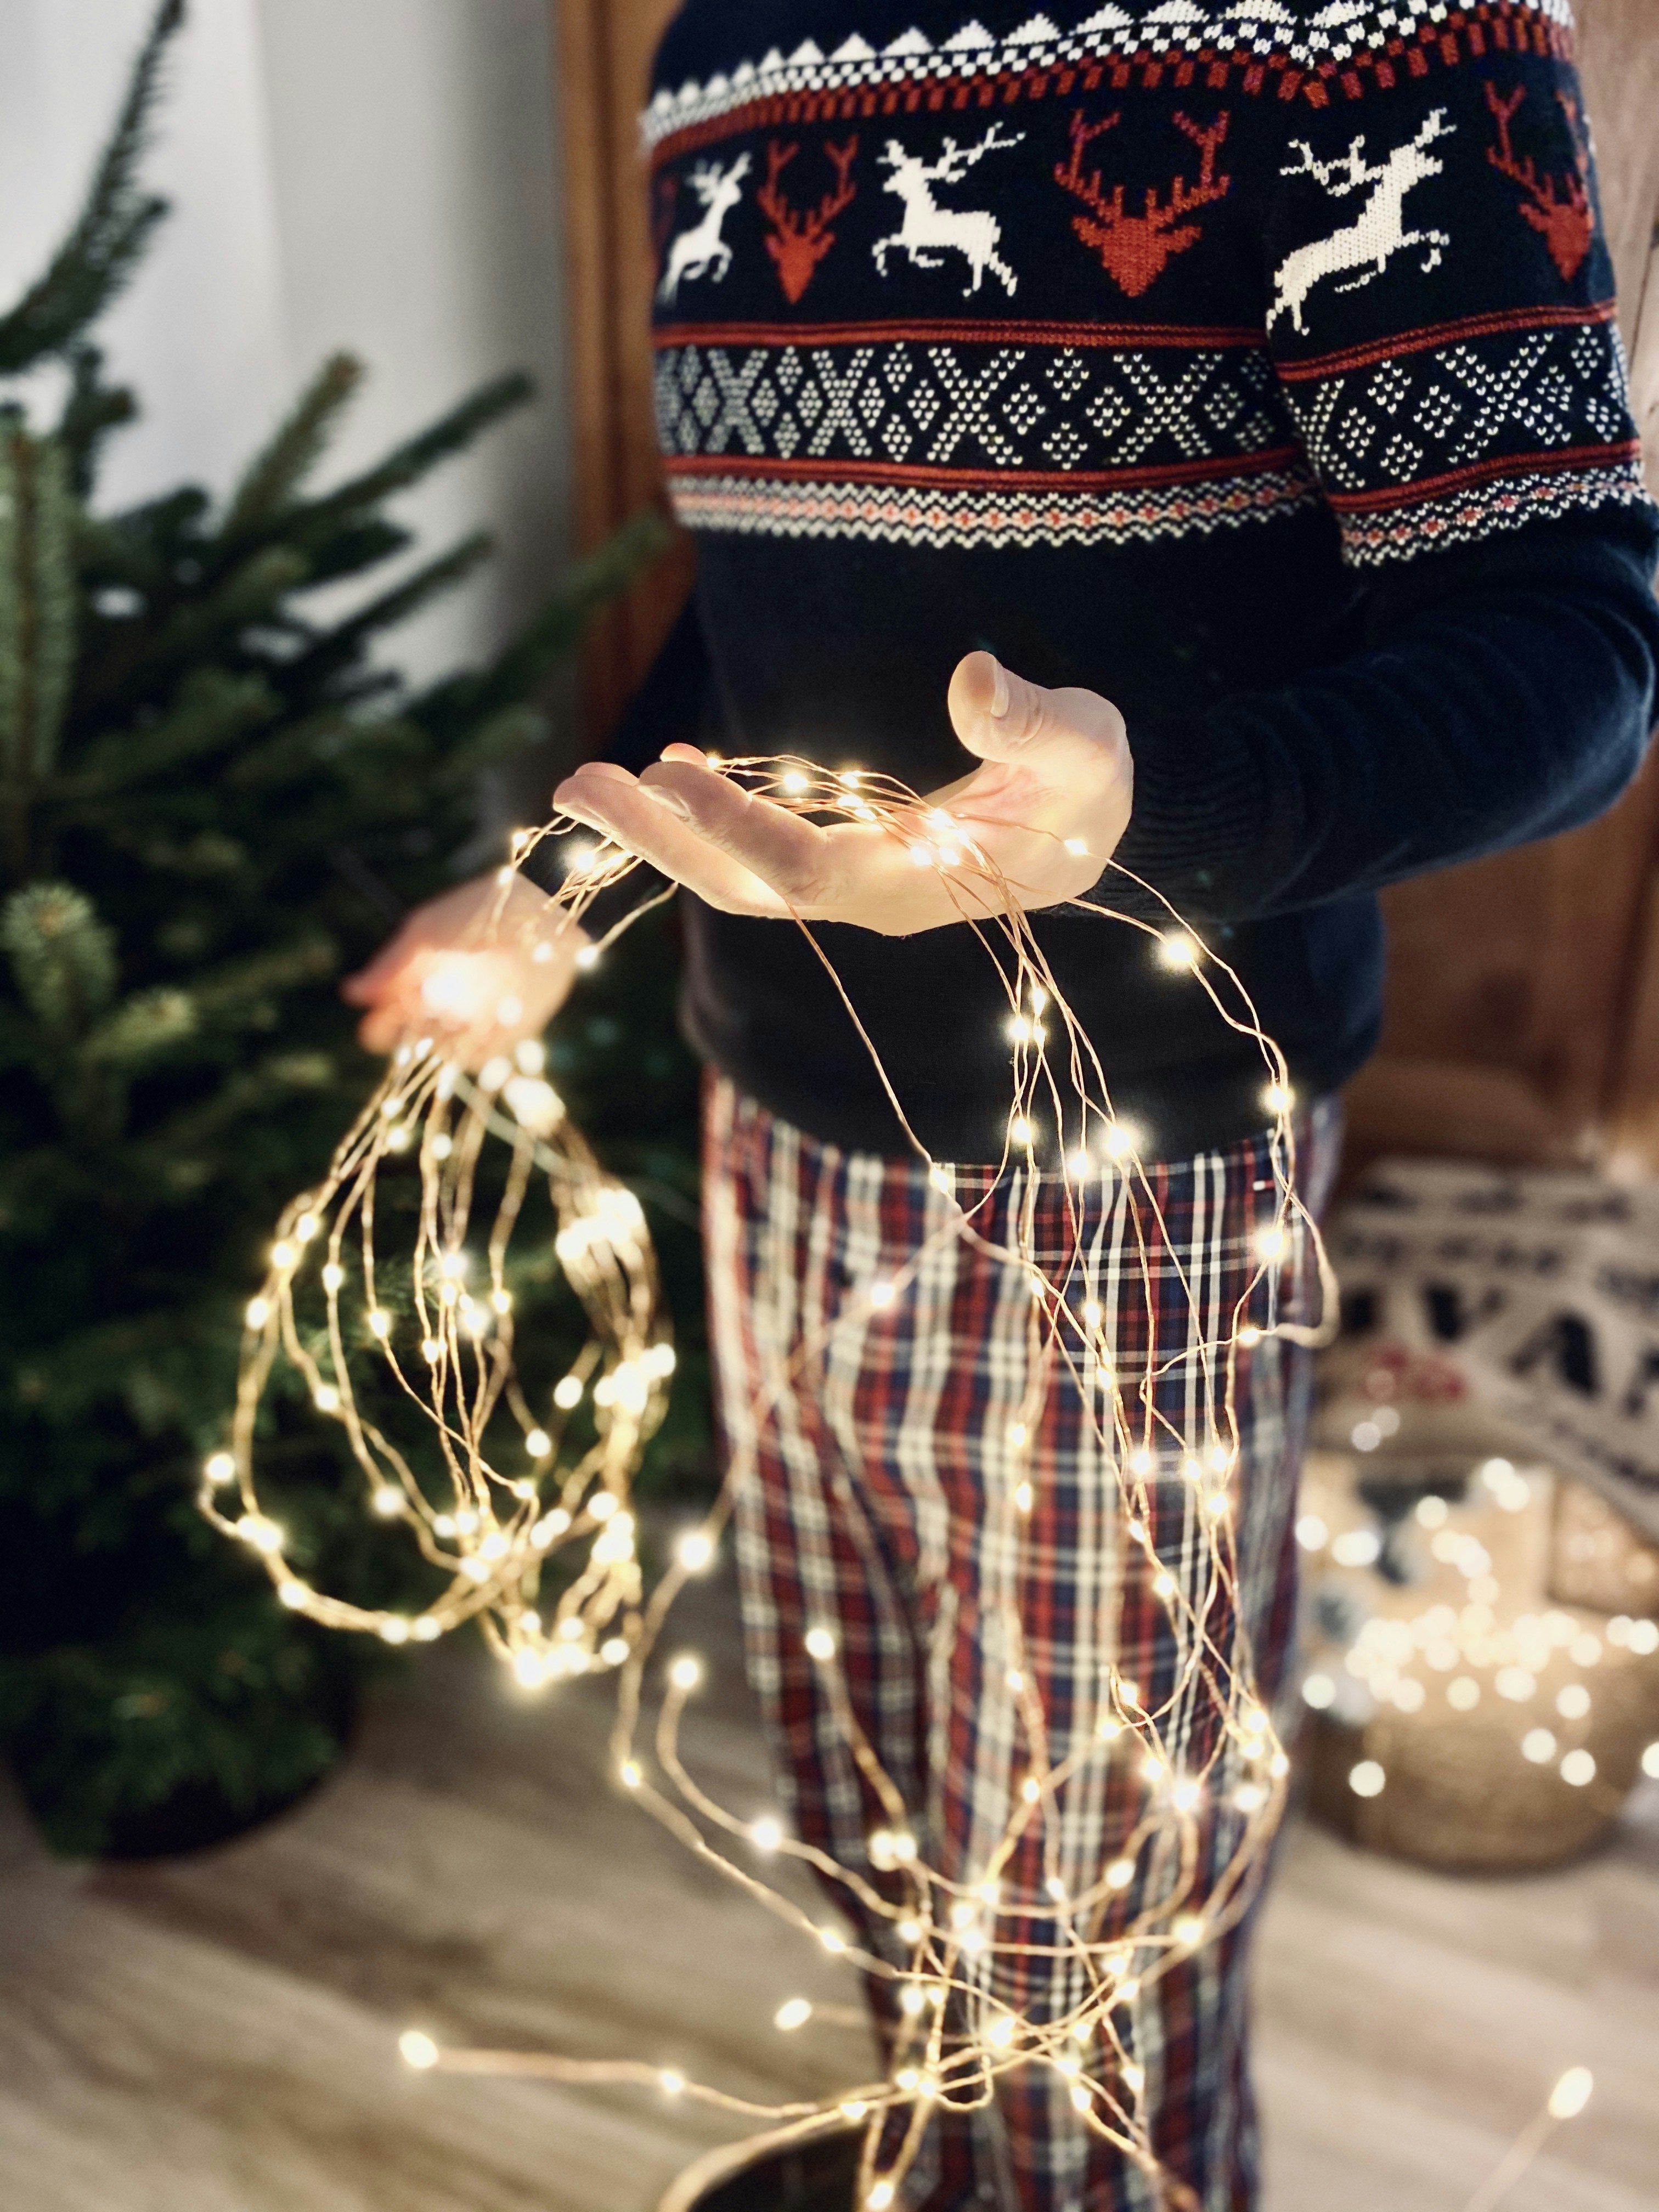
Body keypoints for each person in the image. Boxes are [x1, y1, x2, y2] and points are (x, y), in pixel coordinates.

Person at [345, 6, 1659, 2207]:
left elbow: (1578, 643)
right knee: (866, 1798)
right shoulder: (714, 59)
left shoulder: (1378, 33)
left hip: (1131, 1171)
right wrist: (563, 876)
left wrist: (1157, 805)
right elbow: (764, 612)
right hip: (768, 1116)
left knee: (1088, 1927)